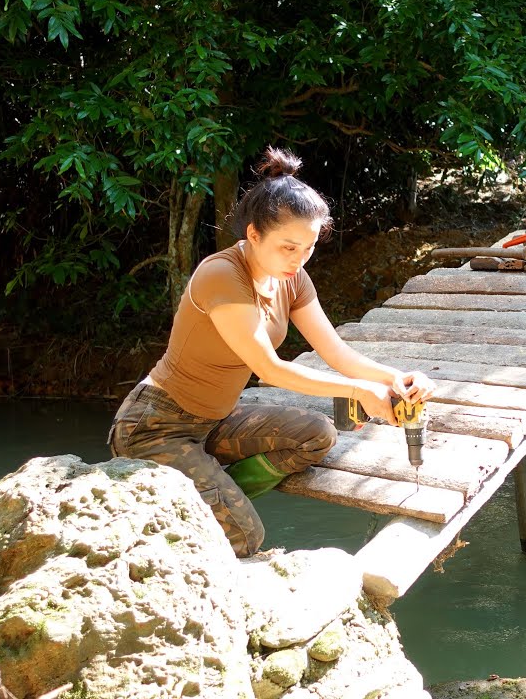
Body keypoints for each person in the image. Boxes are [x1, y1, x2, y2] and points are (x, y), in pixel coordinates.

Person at [108, 147, 436, 558]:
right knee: (244, 537)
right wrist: (357, 392)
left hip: (215, 420)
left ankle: (211, 498)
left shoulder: (292, 278)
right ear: (254, 235)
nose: (299, 259)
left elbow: (336, 351)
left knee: (316, 435)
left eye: (309, 247)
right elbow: (269, 368)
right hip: (157, 426)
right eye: (288, 247)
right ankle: (204, 507)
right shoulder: (222, 275)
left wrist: (396, 379)